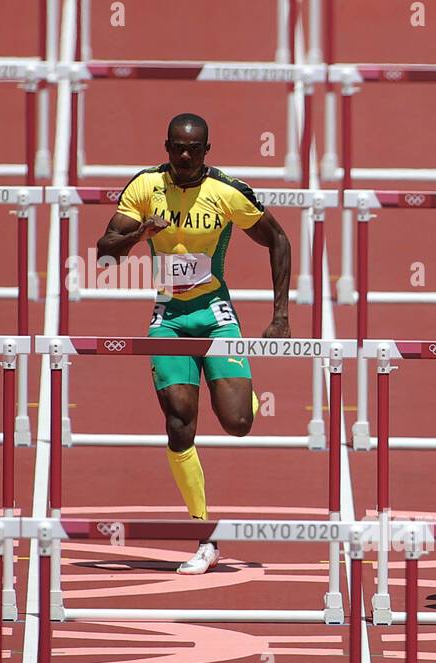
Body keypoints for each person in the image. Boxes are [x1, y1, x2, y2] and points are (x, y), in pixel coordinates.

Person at [96, 113, 292, 574]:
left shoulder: (227, 192)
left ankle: (242, 391)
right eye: (177, 149)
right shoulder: (144, 187)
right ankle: (205, 536)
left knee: (238, 422)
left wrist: (280, 315)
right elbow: (105, 252)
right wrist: (140, 233)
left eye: (194, 150)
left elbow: (278, 239)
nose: (185, 157)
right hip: (169, 318)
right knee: (180, 423)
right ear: (166, 147)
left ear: (207, 150)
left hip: (215, 315)